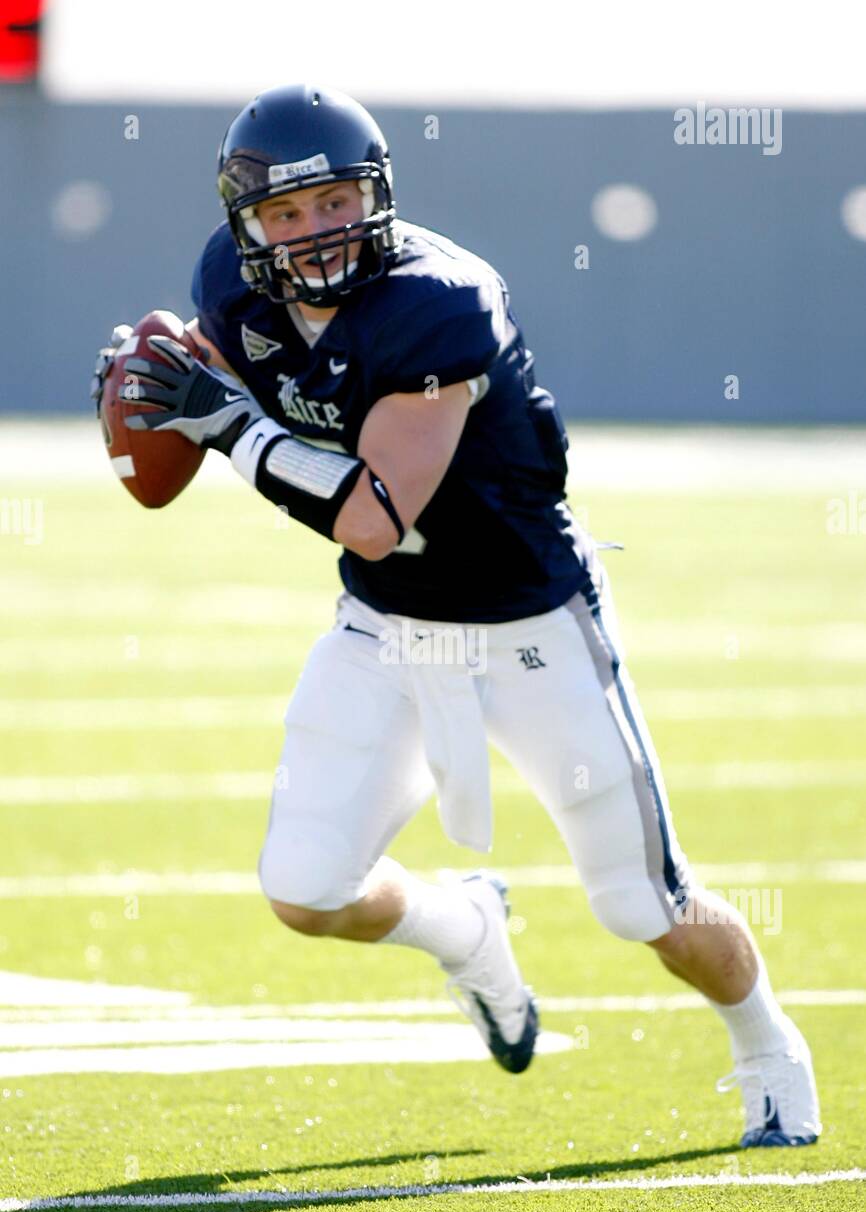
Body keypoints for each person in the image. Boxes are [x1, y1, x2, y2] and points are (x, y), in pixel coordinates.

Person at [91, 83, 820, 1142]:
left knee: (639, 903)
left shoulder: (440, 302)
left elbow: (376, 514)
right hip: (386, 625)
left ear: (374, 193)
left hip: (529, 623)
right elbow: (204, 392)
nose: (315, 231)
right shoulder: (230, 289)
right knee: (303, 887)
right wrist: (154, 388)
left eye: (334, 201)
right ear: (246, 226)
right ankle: (464, 926)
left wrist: (235, 431)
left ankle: (766, 1043)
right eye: (285, 214)